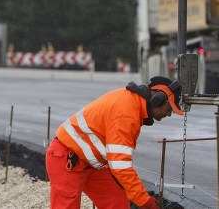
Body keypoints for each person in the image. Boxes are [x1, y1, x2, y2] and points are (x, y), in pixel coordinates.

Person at [47, 76, 186, 209]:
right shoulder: (127, 112)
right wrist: (145, 202)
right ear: (158, 99)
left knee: (116, 203)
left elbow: (115, 158)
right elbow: (121, 164)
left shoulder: (134, 106)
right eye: (170, 108)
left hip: (90, 164)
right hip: (67, 159)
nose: (168, 114)